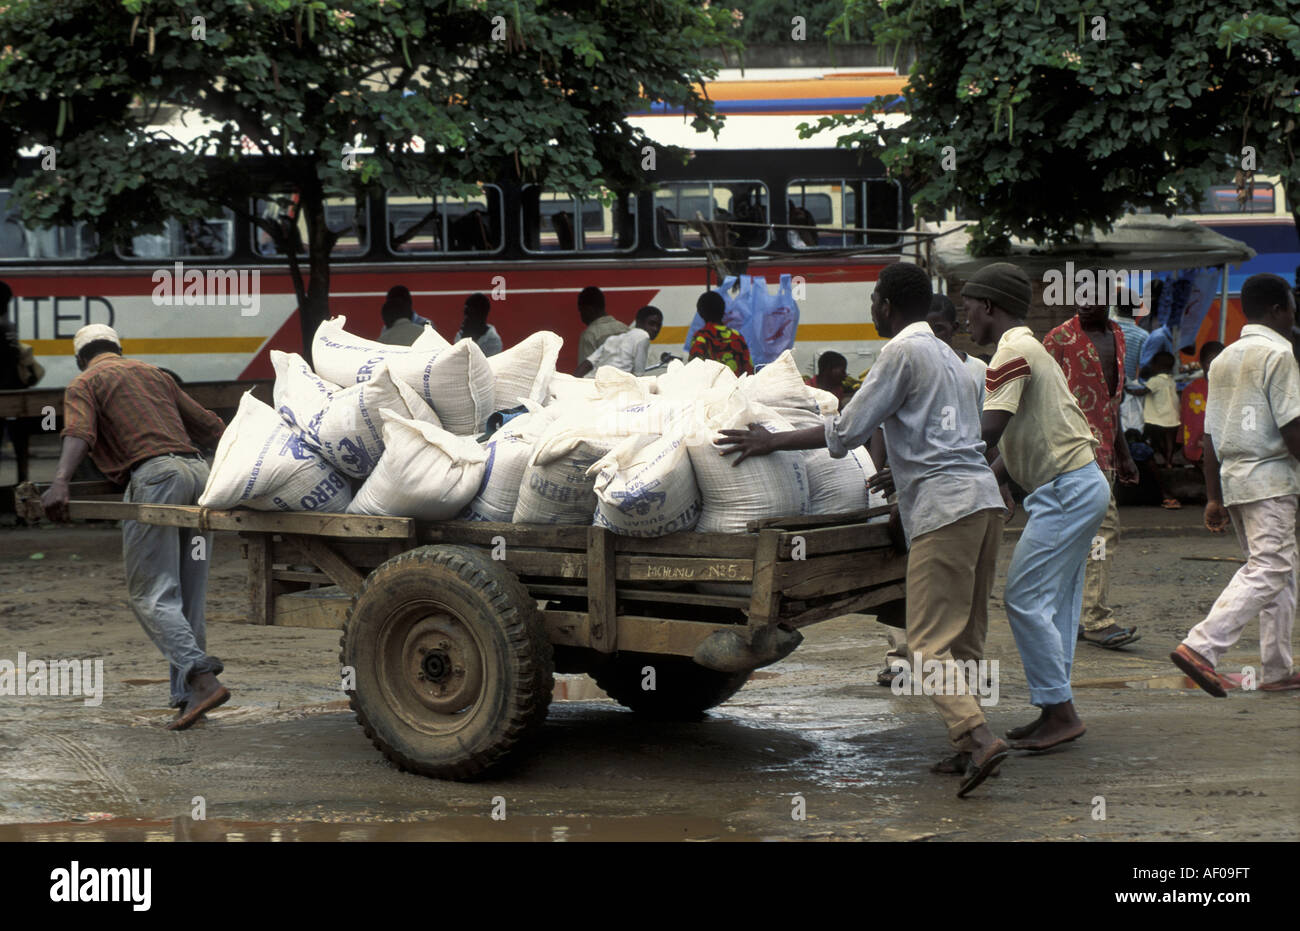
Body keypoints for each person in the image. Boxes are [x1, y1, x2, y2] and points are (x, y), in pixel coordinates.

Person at [717, 262, 1010, 797]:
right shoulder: (953, 358)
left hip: (945, 508)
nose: (871, 307)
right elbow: (941, 435)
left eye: (874, 299)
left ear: (887, 306)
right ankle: (967, 748)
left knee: (923, 645)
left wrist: (771, 441)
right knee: (964, 636)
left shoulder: (901, 351)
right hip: (985, 504)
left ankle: (981, 735)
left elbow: (849, 429)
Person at [39, 325, 230, 731]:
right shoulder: (154, 373)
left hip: (157, 478)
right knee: (188, 593)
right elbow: (211, 426)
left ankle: (201, 676)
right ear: (118, 349)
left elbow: (79, 433)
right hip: (198, 475)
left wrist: (59, 482)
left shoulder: (85, 382)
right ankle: (187, 696)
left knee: (151, 593)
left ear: (81, 356)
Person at [963, 262, 1111, 752]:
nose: (965, 317)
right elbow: (1013, 439)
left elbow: (988, 431)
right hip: (1078, 483)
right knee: (1057, 604)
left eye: (968, 307)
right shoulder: (1032, 348)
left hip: (1066, 489)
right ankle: (1055, 707)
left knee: (1023, 598)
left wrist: (925, 466)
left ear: (988, 306)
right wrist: (994, 479)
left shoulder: (1013, 352)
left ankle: (1060, 712)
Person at [1172, 274, 1300, 694]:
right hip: (1270, 479)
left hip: (1235, 480)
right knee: (1271, 567)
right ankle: (1201, 647)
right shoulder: (1279, 353)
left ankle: (1278, 669)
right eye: (1292, 305)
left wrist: (1213, 496)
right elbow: (1293, 425)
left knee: (1282, 571)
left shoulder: (1225, 357)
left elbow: (1210, 434)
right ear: (1279, 309)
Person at [1043, 295, 1142, 650]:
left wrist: (1124, 455)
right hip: (1071, 454)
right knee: (1104, 531)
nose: (1084, 304)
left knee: (1081, 537)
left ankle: (1070, 612)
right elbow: (1040, 395)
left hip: (1104, 453)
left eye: (1093, 298)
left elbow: (1112, 402)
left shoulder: (1117, 335)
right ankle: (1096, 618)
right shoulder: (1058, 339)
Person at [927, 294, 987, 405]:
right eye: (926, 330)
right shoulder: (914, 370)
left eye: (938, 329)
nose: (932, 336)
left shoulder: (978, 370)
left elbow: (984, 418)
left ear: (954, 328)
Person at [0, 279, 33, 483]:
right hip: (14, 394)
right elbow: (13, 356)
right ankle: (23, 496)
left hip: (4, 393)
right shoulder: (8, 325)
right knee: (21, 448)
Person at [575, 305, 663, 378]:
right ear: (639, 322)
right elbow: (638, 374)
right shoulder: (643, 335)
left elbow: (587, 364)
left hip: (592, 381)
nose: (655, 329)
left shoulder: (613, 339)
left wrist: (573, 382)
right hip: (613, 385)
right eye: (651, 323)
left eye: (658, 325)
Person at [1180, 341, 1224, 466]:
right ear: (1202, 364)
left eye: (1220, 361)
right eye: (1210, 362)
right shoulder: (1192, 390)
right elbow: (1191, 422)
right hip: (1201, 444)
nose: (1215, 365)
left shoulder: (1230, 387)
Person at [688, 291, 753, 376]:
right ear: (723, 311)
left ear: (701, 313)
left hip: (712, 389)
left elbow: (693, 370)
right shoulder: (736, 336)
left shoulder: (701, 337)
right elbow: (749, 369)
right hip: (737, 387)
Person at [1141, 351, 1181, 472]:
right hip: (1172, 417)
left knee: (1156, 439)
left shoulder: (1155, 380)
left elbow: (1142, 392)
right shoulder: (1171, 380)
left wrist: (1127, 389)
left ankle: (1157, 459)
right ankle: (1169, 462)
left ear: (1157, 366)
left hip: (1158, 418)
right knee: (1170, 441)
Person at [574, 286, 628, 369]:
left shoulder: (589, 335)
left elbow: (585, 374)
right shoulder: (625, 329)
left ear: (589, 310)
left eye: (581, 311)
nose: (581, 316)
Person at [454, 292, 503, 357]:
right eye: (465, 314)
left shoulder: (493, 343)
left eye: (469, 314)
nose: (465, 318)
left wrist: (466, 341)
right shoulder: (460, 335)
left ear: (480, 315)